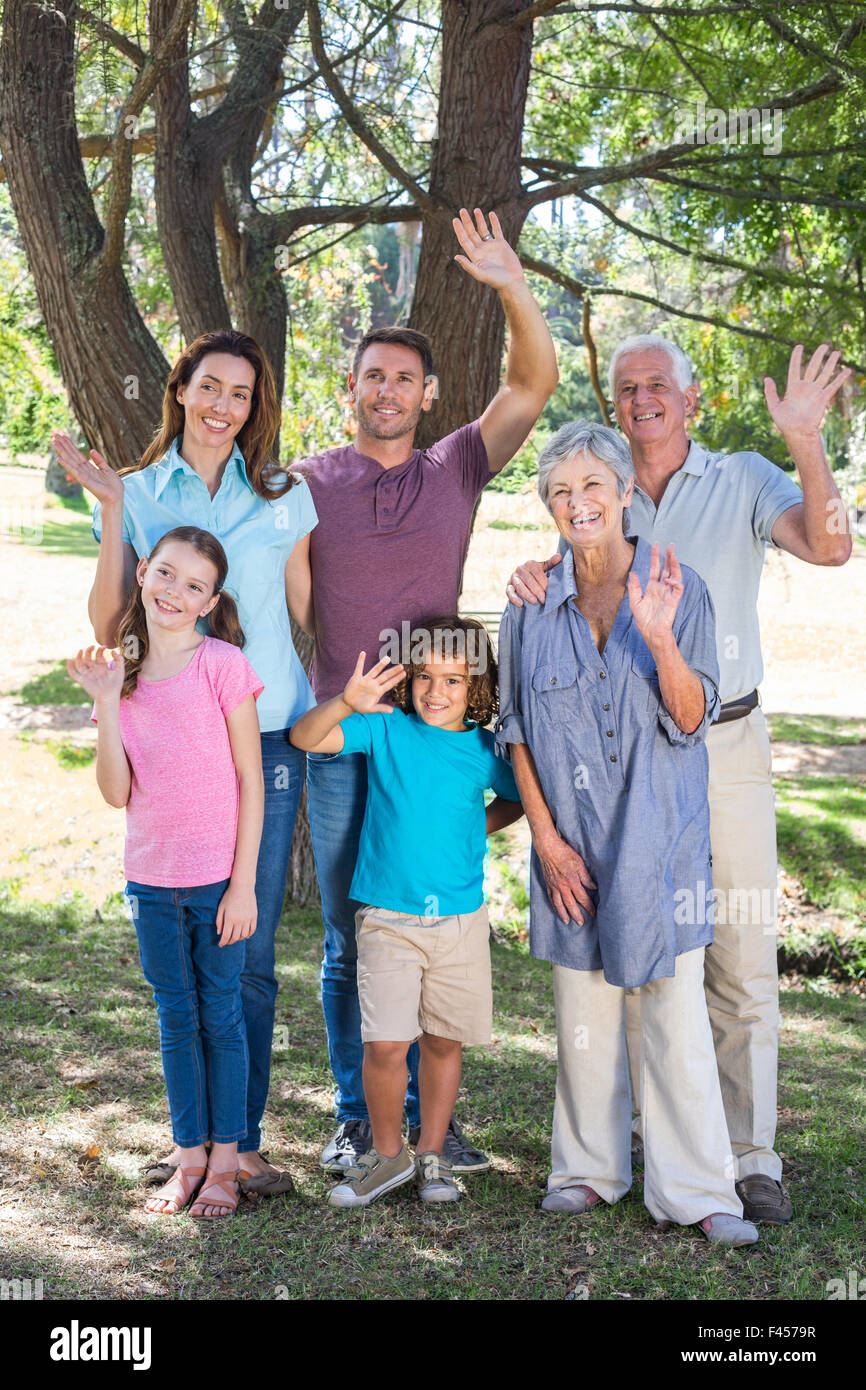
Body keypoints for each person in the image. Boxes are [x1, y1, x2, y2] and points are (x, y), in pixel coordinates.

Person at [507, 338, 852, 1225]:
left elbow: (828, 546)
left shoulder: (737, 480)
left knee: (729, 956)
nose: (644, 397)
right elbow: (532, 685)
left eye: (659, 383)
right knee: (600, 959)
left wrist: (806, 442)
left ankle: (744, 1157)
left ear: (691, 399)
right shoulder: (580, 516)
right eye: (628, 387)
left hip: (716, 748)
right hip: (602, 775)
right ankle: (607, 1154)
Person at [300, 207, 559, 1174]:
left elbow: (533, 382)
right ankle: (362, 1121)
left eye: (405, 377)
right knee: (348, 937)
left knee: (439, 924)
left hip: (435, 739)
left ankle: (430, 1129)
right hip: (345, 740)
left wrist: (509, 282)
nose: (388, 389)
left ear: (427, 393)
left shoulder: (455, 467)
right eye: (373, 374)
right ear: (353, 387)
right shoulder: (308, 480)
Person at [51, 330, 316, 1196]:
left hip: (265, 737)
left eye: (240, 393)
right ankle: (195, 1144)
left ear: (254, 406)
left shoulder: (285, 496)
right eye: (209, 386)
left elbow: (310, 604)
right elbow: (110, 615)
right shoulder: (137, 490)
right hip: (175, 741)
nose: (222, 405)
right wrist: (114, 513)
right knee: (184, 979)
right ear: (180, 389)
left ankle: (236, 1147)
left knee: (248, 947)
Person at [497, 422, 758, 1246]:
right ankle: (585, 1170)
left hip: (660, 836)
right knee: (584, 1013)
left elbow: (693, 716)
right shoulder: (531, 601)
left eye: (593, 487)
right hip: (569, 842)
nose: (577, 504)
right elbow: (515, 728)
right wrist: (543, 838)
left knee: (674, 1014)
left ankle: (700, 1190)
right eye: (561, 491)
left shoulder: (679, 587)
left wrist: (656, 637)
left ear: (621, 496)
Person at [290, 617, 523, 1206]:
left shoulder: (485, 750)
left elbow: (518, 798)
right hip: (388, 920)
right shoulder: (387, 729)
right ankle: (388, 1156)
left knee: (444, 1041)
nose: (436, 691)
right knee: (387, 1044)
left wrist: (472, 832)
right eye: (424, 676)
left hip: (460, 922)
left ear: (477, 687)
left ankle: (433, 1156)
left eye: (453, 679)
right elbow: (305, 739)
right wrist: (346, 701)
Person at [67, 527, 264, 1219]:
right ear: (143, 571)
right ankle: (187, 1157)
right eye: (167, 575)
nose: (175, 592)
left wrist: (243, 886)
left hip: (218, 884)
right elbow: (118, 793)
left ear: (211, 602)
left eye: (194, 585)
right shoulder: (120, 673)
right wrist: (104, 703)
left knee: (222, 1016)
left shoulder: (223, 666)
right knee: (175, 1019)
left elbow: (251, 778)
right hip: (151, 879)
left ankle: (227, 1163)